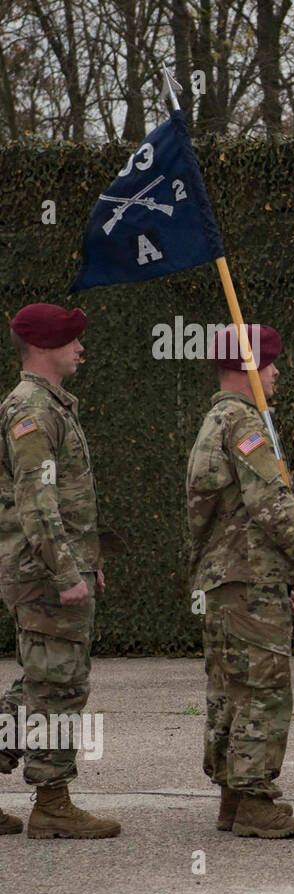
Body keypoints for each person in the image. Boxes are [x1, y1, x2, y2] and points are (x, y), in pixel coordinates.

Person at [187, 324, 294, 838]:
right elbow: (271, 502)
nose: (276, 372)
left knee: (230, 688)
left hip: (224, 579)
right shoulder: (245, 424)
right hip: (247, 580)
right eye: (269, 364)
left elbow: (215, 518)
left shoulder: (212, 422)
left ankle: (232, 797)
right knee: (263, 688)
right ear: (247, 368)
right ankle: (254, 801)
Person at [0, 304, 119, 839]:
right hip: (42, 572)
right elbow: (37, 500)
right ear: (46, 346)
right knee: (58, 687)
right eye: (72, 339)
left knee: (40, 683)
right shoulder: (32, 409)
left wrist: (83, 563)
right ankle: (52, 804)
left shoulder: (48, 405)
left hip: (49, 566)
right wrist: (65, 571)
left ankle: (50, 797)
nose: (81, 347)